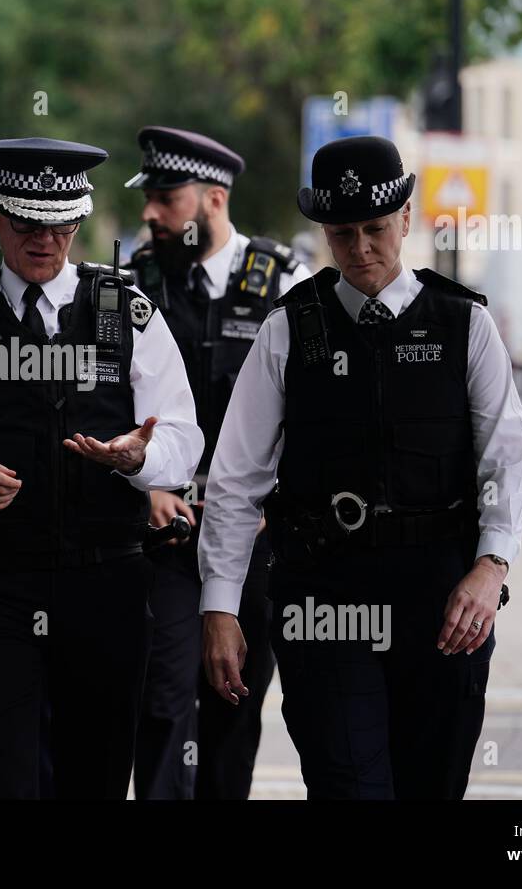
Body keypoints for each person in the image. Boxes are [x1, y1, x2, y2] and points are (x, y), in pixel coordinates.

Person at [199, 135, 522, 799]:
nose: (360, 248)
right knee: (348, 784)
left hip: (441, 599)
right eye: (342, 233)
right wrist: (221, 607)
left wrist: (489, 566)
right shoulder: (290, 329)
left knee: (430, 786)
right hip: (326, 596)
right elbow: (236, 479)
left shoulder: (462, 323)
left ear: (405, 218)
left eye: (375, 229)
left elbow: (507, 458)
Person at [0, 137, 204, 799]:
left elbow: (183, 435)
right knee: (0, 776)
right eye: (28, 222)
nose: (46, 239)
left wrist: (140, 458)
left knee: (95, 775)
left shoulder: (125, 312)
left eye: (62, 224)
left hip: (105, 584)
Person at [124, 126, 312, 800]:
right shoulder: (130, 285)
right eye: (149, 198)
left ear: (212, 199)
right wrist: (144, 486)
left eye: (165, 198)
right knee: (164, 701)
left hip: (254, 541)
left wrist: (280, 500)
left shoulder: (286, 281)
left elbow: (316, 409)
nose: (150, 213)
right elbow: (106, 401)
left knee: (235, 706)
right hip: (164, 536)